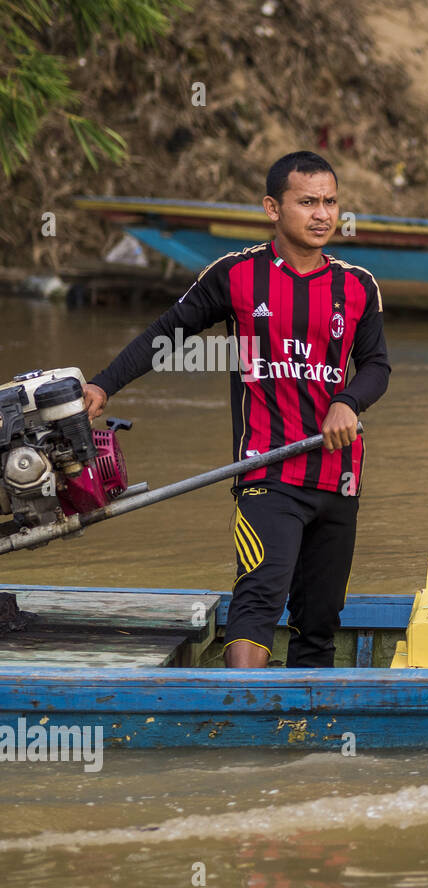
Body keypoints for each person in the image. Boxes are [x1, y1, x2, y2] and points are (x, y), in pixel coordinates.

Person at [83, 151, 391, 668]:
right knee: (257, 605)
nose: (322, 214)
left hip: (339, 476)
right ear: (273, 207)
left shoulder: (356, 284)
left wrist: (347, 400)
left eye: (331, 202)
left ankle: (302, 740)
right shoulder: (236, 275)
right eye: (307, 202)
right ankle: (240, 728)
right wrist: (103, 386)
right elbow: (167, 334)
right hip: (265, 474)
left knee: (319, 623)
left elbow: (377, 366)